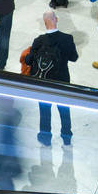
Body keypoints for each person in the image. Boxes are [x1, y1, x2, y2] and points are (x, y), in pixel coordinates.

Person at [28, 10, 79, 146]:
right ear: (56, 19)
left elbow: (28, 60)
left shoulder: (39, 41)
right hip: (62, 81)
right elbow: (74, 57)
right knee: (64, 109)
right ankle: (66, 136)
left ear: (45, 23)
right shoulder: (67, 38)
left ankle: (45, 137)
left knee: (45, 110)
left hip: (44, 82)